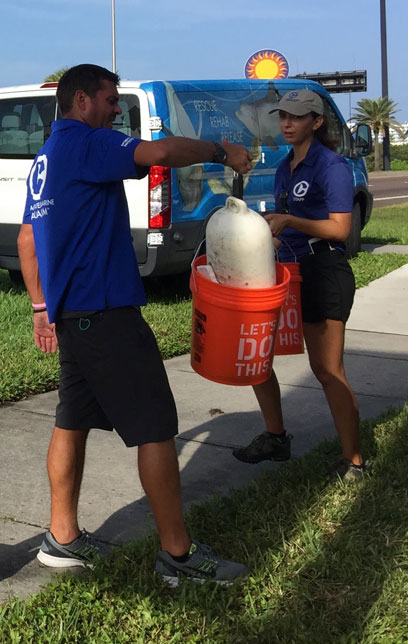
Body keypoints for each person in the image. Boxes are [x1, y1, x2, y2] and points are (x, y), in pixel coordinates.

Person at [19, 64, 254, 585]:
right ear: (81, 101)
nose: (114, 112)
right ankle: (178, 555)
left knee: (71, 421)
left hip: (73, 314)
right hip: (105, 312)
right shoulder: (86, 141)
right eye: (108, 101)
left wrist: (42, 308)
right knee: (155, 426)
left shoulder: (46, 157)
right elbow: (163, 154)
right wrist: (221, 151)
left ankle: (62, 538)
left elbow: (27, 242)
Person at [232, 90, 365, 481]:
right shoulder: (284, 167)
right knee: (257, 357)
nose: (287, 123)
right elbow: (281, 231)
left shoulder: (331, 166)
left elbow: (341, 228)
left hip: (324, 269)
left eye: (297, 117)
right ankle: (275, 437)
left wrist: (290, 222)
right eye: (283, 116)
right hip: (287, 272)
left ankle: (354, 461)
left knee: (326, 369)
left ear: (316, 122)